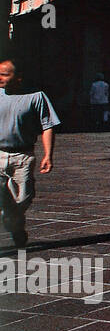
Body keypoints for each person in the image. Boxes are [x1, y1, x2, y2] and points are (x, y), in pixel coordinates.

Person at [0, 61, 59, 248]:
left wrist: (48, 155)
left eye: (4, 74)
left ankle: (14, 224)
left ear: (18, 78)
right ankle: (11, 218)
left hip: (23, 156)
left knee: (24, 198)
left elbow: (47, 126)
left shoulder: (36, 96)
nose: (0, 78)